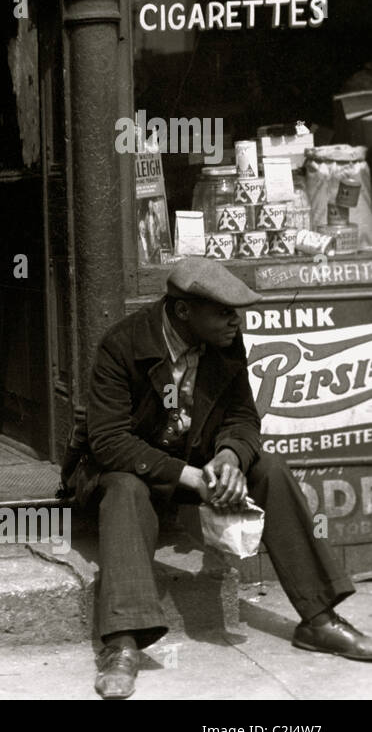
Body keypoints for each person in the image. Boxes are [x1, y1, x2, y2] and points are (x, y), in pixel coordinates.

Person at [64, 256, 372, 700]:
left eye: (236, 312)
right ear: (184, 311)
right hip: (126, 472)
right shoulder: (122, 345)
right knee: (125, 486)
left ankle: (319, 619)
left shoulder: (223, 342)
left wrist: (229, 456)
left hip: (193, 463)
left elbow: (243, 416)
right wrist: (192, 476)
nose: (235, 321)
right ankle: (123, 644)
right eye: (224, 311)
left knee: (269, 467)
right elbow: (110, 443)